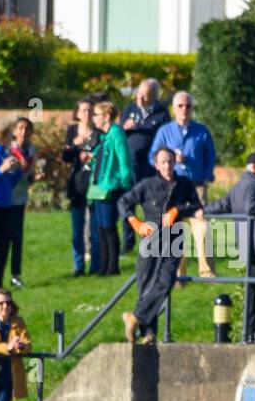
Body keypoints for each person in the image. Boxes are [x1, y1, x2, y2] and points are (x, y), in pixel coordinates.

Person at [118, 147, 204, 345]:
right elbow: (124, 202)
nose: (167, 166)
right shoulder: (147, 185)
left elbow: (197, 204)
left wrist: (178, 210)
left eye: (171, 161)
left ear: (175, 163)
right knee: (146, 285)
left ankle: (134, 317)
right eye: (163, 162)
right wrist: (134, 222)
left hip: (174, 238)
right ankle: (149, 334)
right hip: (150, 237)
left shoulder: (184, 183)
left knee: (165, 282)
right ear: (156, 165)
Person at [206, 152, 255, 343]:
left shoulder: (238, 186)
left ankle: (250, 332)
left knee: (253, 289)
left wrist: (200, 211)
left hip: (247, 245)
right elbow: (252, 208)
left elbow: (222, 205)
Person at [149, 91, 217, 279]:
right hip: (174, 187)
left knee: (202, 229)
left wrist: (207, 175)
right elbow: (152, 157)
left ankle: (207, 271)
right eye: (180, 106)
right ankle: (177, 275)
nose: (184, 109)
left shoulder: (202, 131)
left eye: (188, 106)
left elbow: (210, 156)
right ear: (174, 108)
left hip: (197, 186)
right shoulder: (165, 132)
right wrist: (170, 161)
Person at [119, 79, 169, 255]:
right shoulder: (130, 109)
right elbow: (120, 131)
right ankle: (128, 242)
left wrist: (139, 127)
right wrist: (126, 127)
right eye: (139, 92)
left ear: (154, 96)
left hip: (150, 167)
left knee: (152, 205)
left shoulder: (161, 113)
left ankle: (152, 241)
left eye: (145, 94)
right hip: (131, 165)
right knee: (128, 203)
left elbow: (163, 135)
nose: (140, 97)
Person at [86, 101, 135, 277]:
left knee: (108, 227)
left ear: (106, 117)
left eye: (96, 115)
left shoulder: (116, 133)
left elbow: (124, 160)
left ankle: (112, 266)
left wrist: (125, 183)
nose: (93, 118)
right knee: (101, 228)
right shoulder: (104, 136)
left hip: (110, 186)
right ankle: (104, 266)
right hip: (99, 187)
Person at [63, 98, 101, 276]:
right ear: (77, 113)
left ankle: (95, 264)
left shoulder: (99, 133)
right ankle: (78, 266)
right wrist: (75, 146)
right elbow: (65, 157)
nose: (87, 114)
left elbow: (104, 156)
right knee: (77, 229)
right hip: (77, 184)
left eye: (90, 110)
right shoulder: (72, 131)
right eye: (84, 110)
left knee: (94, 228)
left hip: (95, 184)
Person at [0, 120, 24, 281]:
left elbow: (11, 183)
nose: (13, 136)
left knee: (4, 245)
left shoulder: (7, 154)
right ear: (1, 135)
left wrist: (17, 170)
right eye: (10, 133)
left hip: (6, 204)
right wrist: (1, 170)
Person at [3, 117, 36, 288]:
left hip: (20, 198)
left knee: (17, 237)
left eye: (27, 129)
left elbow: (29, 174)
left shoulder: (31, 150)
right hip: (4, 198)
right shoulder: (8, 148)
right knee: (0, 238)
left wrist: (33, 176)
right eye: (21, 128)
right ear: (14, 131)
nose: (24, 132)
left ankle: (15, 275)